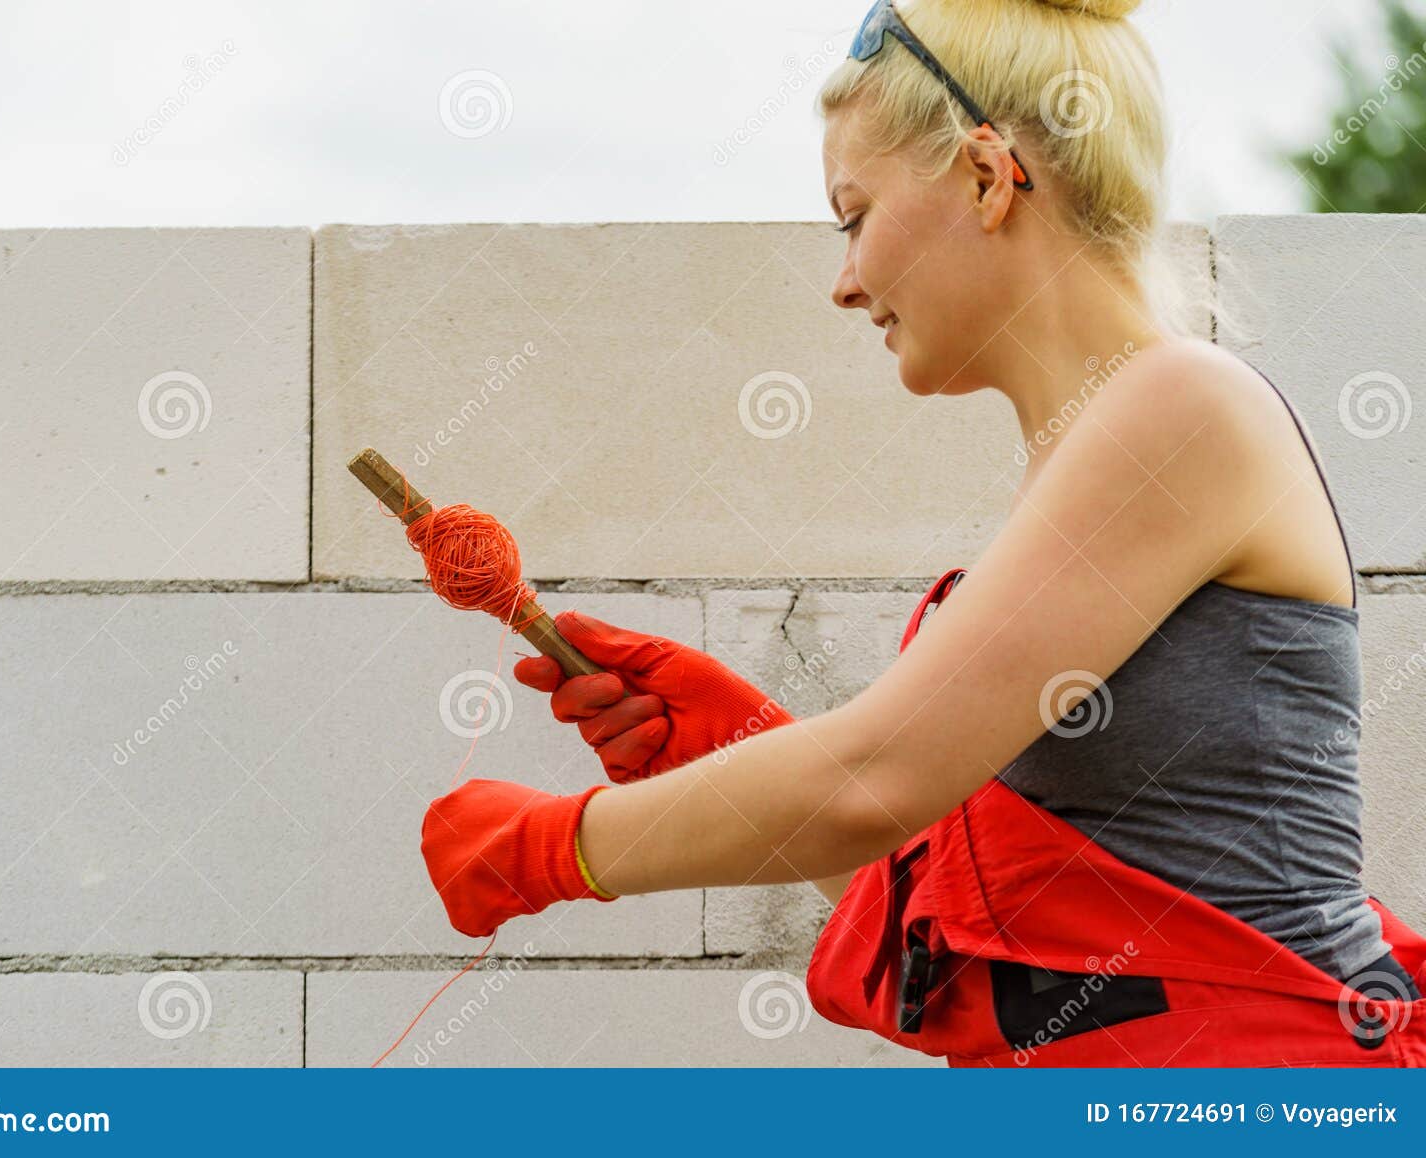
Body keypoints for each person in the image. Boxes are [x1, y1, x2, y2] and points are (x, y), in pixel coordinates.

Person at [419, 0, 1426, 1066]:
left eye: (853, 215)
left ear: (988, 177)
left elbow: (872, 782)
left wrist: (549, 847)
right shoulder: (1110, 445)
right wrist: (730, 744)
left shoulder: (1180, 411)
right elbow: (970, 927)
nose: (845, 282)